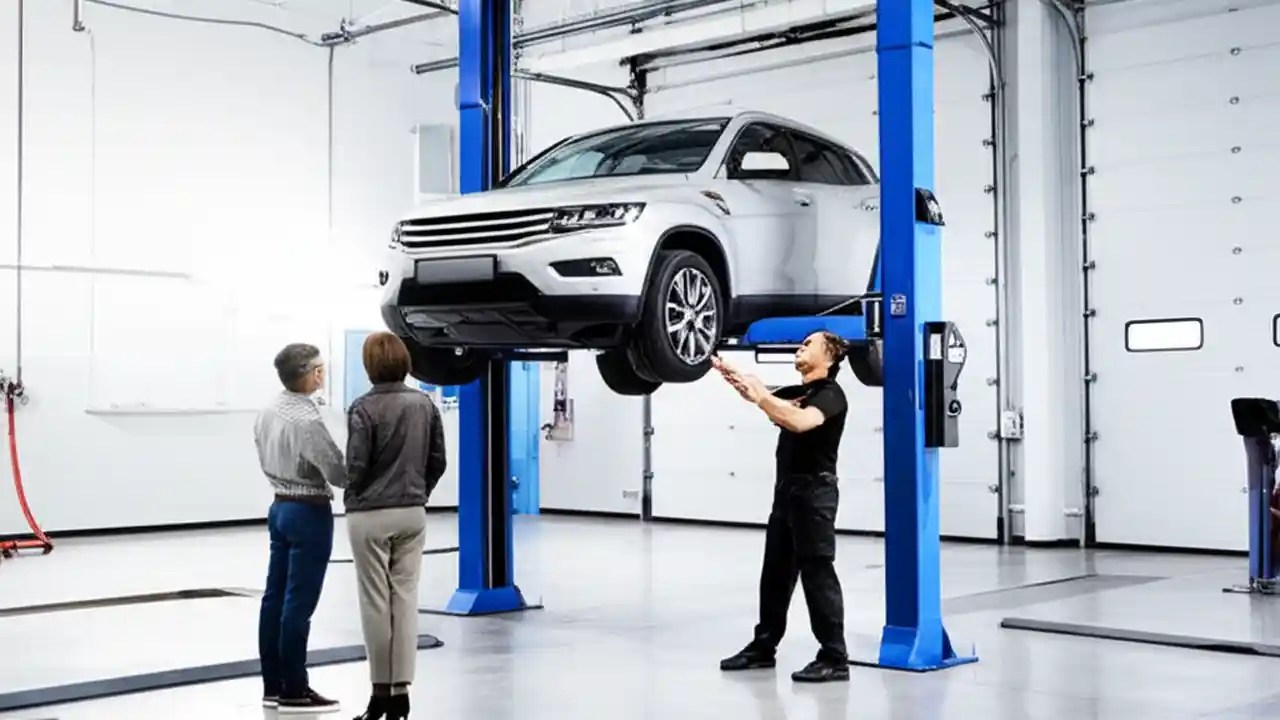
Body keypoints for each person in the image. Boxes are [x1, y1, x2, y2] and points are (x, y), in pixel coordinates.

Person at [712, 331, 852, 683]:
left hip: (815, 494)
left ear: (830, 356)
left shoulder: (831, 395)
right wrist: (725, 368)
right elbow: (760, 393)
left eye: (809, 344)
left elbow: (799, 421)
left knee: (818, 575)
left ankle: (834, 657)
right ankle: (763, 647)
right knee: (775, 573)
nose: (800, 347)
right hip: (787, 492)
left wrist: (761, 397)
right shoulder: (800, 392)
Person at [344, 332, 448, 720]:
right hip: (412, 512)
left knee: (375, 600)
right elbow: (438, 460)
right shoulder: (424, 404)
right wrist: (419, 491)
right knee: (404, 599)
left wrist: (355, 491)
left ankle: (379, 694)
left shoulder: (363, 408)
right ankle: (402, 693)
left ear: (370, 366)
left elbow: (356, 467)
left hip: (370, 515)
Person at [254, 343, 347, 713]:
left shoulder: (268, 411)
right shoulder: (306, 420)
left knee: (273, 598)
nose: (323, 375)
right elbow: (337, 471)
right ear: (310, 373)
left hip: (279, 507)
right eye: (320, 368)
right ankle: (295, 688)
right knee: (299, 604)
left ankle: (273, 685)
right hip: (308, 512)